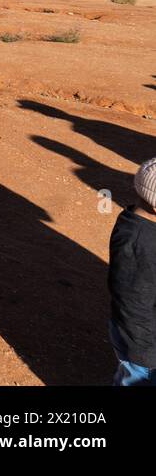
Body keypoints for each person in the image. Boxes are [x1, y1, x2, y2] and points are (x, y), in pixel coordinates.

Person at [108, 158, 156, 386]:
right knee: (137, 380)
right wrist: (145, 351)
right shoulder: (139, 243)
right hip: (142, 341)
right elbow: (134, 305)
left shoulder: (140, 223)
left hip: (143, 333)